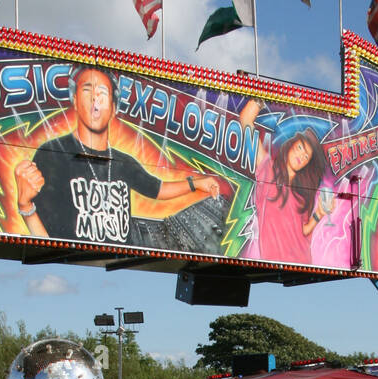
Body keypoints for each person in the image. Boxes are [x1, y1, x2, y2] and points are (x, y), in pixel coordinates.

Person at [14, 66, 222, 245]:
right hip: (68, 266)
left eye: (102, 93)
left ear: (113, 108)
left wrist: (195, 183)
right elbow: (45, 240)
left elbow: (156, 188)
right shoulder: (52, 154)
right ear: (75, 100)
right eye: (87, 90)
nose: (95, 98)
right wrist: (25, 205)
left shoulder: (123, 162)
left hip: (122, 266)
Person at [239, 99, 332, 265]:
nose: (301, 157)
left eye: (306, 157)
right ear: (290, 146)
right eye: (300, 148)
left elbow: (303, 232)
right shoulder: (267, 170)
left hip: (302, 262)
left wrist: (319, 214)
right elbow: (246, 120)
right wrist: (260, 96)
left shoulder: (302, 194)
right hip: (273, 260)